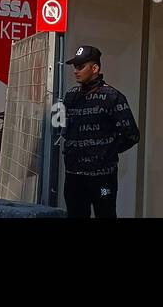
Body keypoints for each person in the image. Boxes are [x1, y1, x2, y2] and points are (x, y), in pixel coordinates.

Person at [59, 44, 139, 218]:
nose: (76, 71)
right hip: (74, 179)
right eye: (75, 67)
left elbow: (132, 135)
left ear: (95, 68)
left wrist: (106, 151)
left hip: (102, 181)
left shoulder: (112, 97)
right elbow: (61, 126)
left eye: (81, 67)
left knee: (105, 212)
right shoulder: (70, 96)